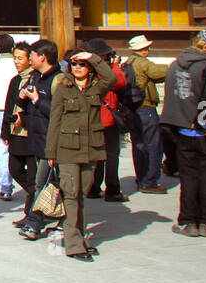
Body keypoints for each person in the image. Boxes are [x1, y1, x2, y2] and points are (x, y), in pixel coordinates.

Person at [43, 48, 116, 261]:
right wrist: (51, 151)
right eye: (74, 63)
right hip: (66, 149)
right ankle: (73, 244)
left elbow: (110, 77)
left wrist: (92, 57)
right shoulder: (63, 88)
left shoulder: (96, 87)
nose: (77, 67)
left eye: (82, 64)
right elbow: (54, 120)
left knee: (81, 195)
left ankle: (82, 238)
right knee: (71, 195)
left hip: (90, 148)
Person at [161, 30, 206, 237]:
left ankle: (187, 221)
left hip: (183, 130)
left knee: (189, 177)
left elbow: (171, 96)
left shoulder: (175, 65)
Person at [18, 40, 64, 240]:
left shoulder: (59, 80)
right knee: (50, 183)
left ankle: (33, 222)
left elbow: (58, 112)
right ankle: (60, 219)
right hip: (37, 138)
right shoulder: (35, 77)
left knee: (43, 183)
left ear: (42, 57)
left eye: (32, 55)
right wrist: (23, 96)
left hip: (50, 140)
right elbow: (23, 104)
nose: (30, 59)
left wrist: (37, 99)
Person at [82, 38, 129, 202]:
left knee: (95, 155)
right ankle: (112, 190)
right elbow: (120, 81)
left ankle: (93, 187)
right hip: (107, 118)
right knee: (111, 155)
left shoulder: (84, 72)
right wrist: (115, 65)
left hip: (91, 119)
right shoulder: (106, 72)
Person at [124, 34, 170, 194]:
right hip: (146, 107)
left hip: (132, 108)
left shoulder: (128, 62)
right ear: (143, 49)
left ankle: (141, 177)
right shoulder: (143, 63)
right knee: (153, 144)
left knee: (138, 145)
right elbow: (161, 72)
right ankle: (150, 181)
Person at [0, 43, 35, 223]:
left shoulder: (36, 79)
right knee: (15, 169)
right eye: (15, 58)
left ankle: (31, 215)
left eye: (20, 58)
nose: (16, 62)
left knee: (33, 175)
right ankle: (36, 196)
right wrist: (5, 131)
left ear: (31, 59)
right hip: (16, 132)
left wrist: (25, 118)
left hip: (31, 133)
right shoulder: (16, 80)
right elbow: (8, 105)